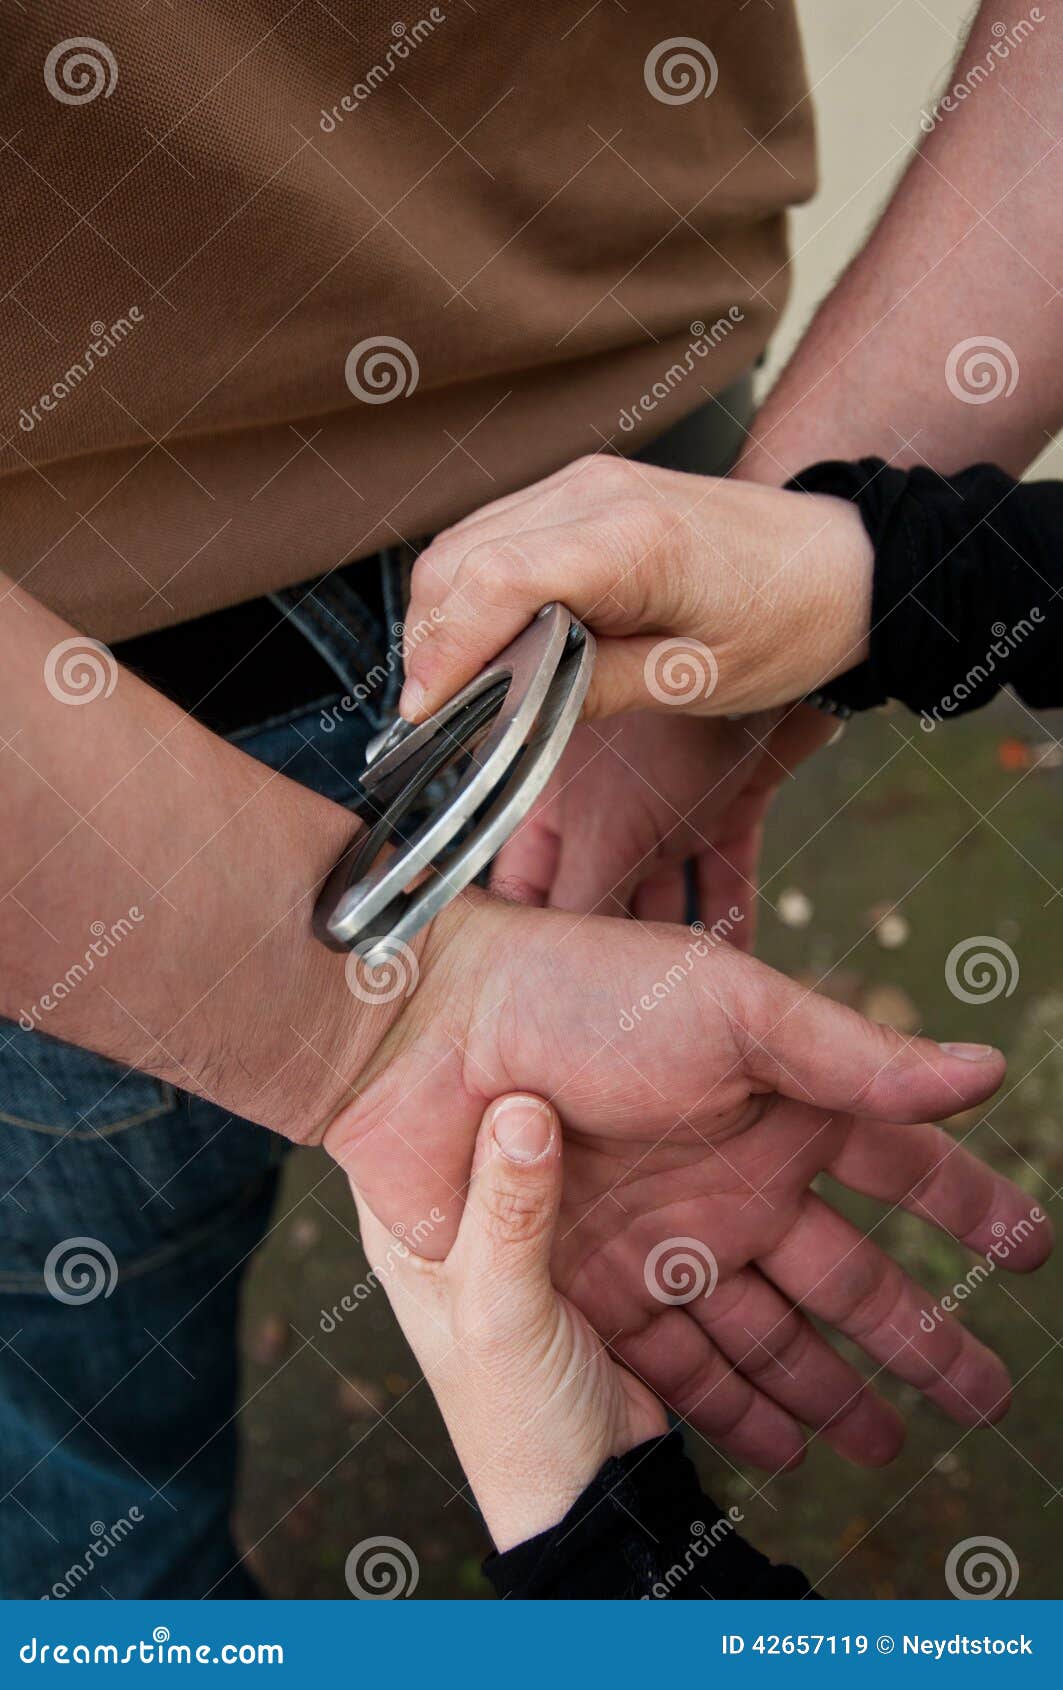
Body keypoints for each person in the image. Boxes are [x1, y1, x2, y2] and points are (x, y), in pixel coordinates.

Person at [0, 1, 1054, 1600]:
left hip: (88, 712)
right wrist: (804, 578)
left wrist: (360, 1027)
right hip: (667, 497)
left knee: (77, 1430)